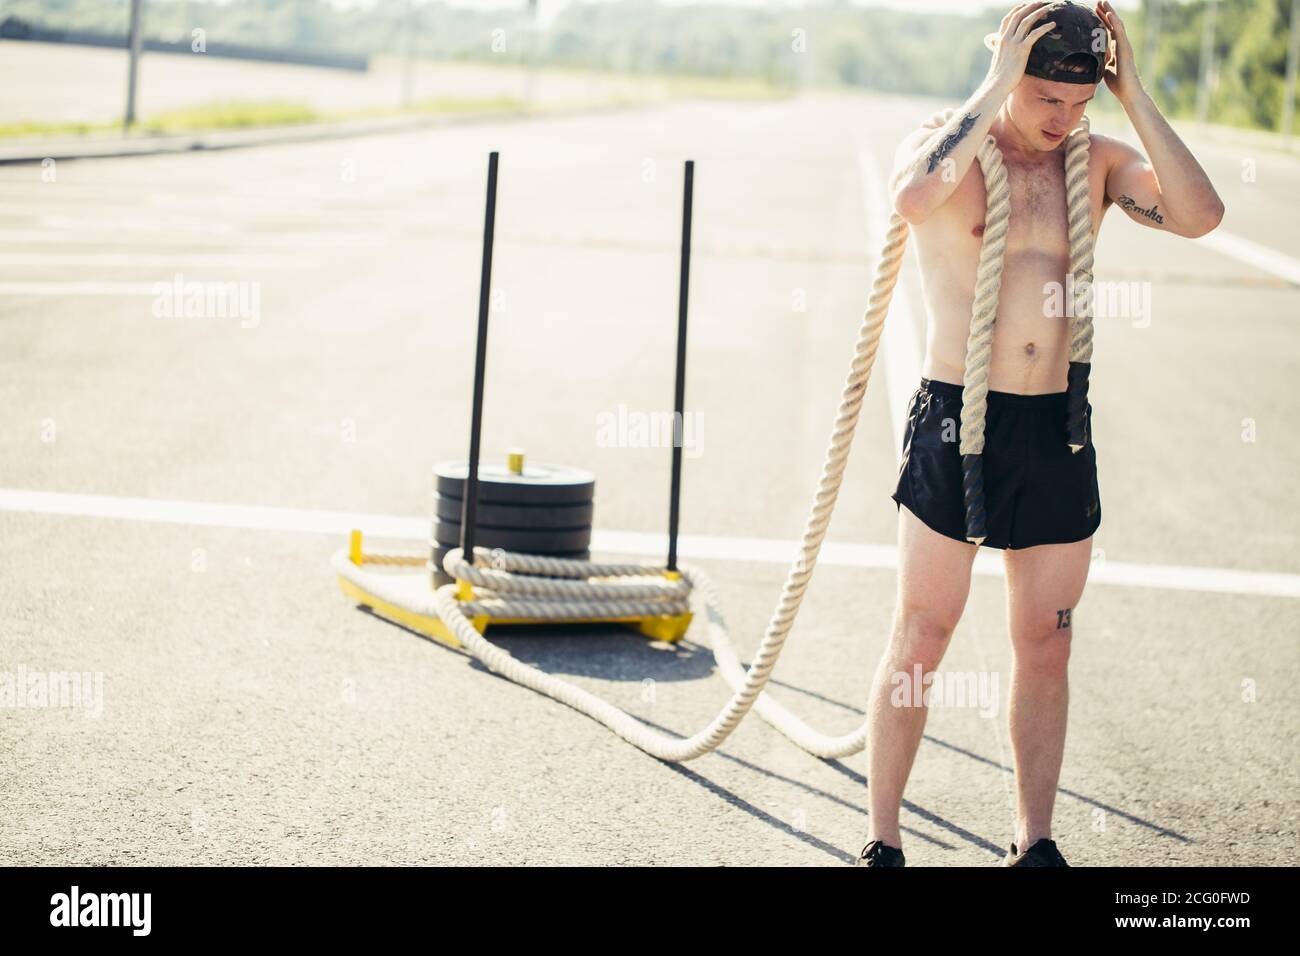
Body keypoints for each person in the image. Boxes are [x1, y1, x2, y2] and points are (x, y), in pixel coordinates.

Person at [856, 0, 1224, 867]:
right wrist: (989, 90)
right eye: (1046, 99)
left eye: (1078, 102)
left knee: (1047, 640)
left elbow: (1201, 214)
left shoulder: (1096, 163)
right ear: (1010, 73)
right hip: (958, 413)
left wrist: (1132, 94)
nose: (1062, 120)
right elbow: (912, 198)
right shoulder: (947, 144)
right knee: (924, 631)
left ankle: (1036, 840)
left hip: (1053, 426)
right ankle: (882, 837)